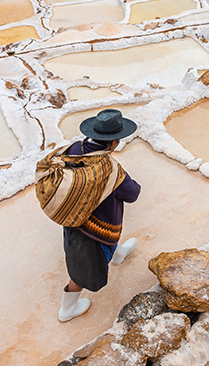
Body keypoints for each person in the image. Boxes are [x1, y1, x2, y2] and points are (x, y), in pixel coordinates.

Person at [58, 109, 141, 322]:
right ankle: (67, 309)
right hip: (93, 228)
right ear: (113, 143)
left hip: (73, 218)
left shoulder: (75, 148)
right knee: (82, 268)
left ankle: (118, 252)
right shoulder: (110, 170)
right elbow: (131, 194)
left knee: (107, 241)